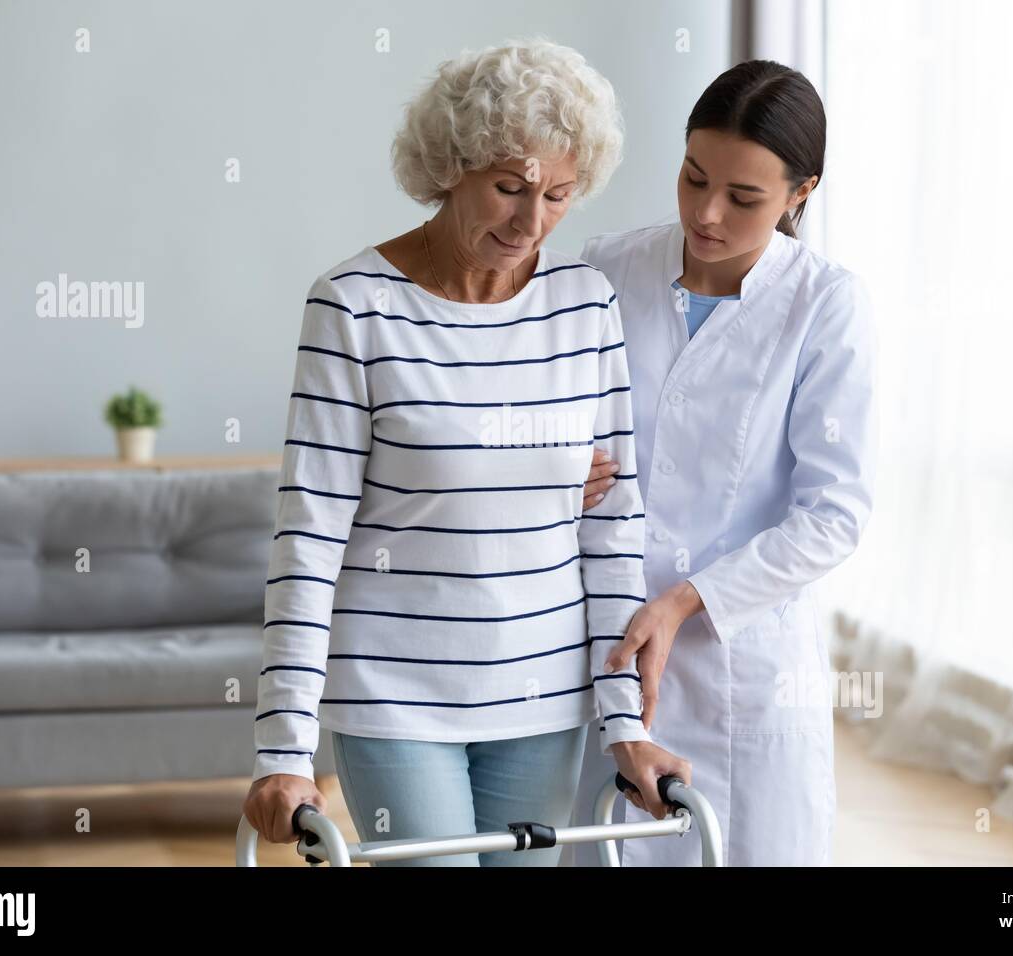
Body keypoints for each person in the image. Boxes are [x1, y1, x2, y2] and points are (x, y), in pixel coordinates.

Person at [241, 38, 687, 866]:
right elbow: (308, 538)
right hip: (392, 695)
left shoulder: (583, 305)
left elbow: (610, 532)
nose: (530, 222)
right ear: (452, 164)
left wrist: (623, 723)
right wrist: (282, 751)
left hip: (543, 694)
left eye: (558, 195)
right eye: (509, 187)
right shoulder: (354, 306)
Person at [565, 59, 877, 866]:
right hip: (603, 651)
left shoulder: (824, 304)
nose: (706, 214)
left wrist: (685, 602)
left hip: (745, 666)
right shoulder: (605, 269)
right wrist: (558, 466)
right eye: (693, 177)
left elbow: (834, 515)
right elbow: (544, 426)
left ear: (800, 194)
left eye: (744, 199)